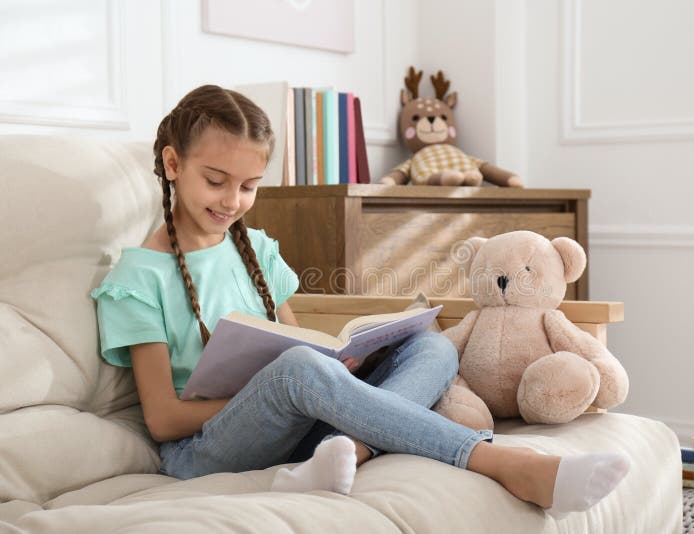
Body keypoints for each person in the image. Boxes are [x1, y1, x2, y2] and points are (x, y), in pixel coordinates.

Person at [90, 84, 630, 518]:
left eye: (249, 186)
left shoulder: (256, 249)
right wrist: (285, 384)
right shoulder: (138, 279)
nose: (233, 201)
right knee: (299, 369)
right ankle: (500, 461)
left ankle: (351, 448)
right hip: (203, 450)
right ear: (173, 164)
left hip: (295, 427)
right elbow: (163, 420)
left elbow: (300, 341)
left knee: (435, 348)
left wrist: (343, 362)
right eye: (216, 181)